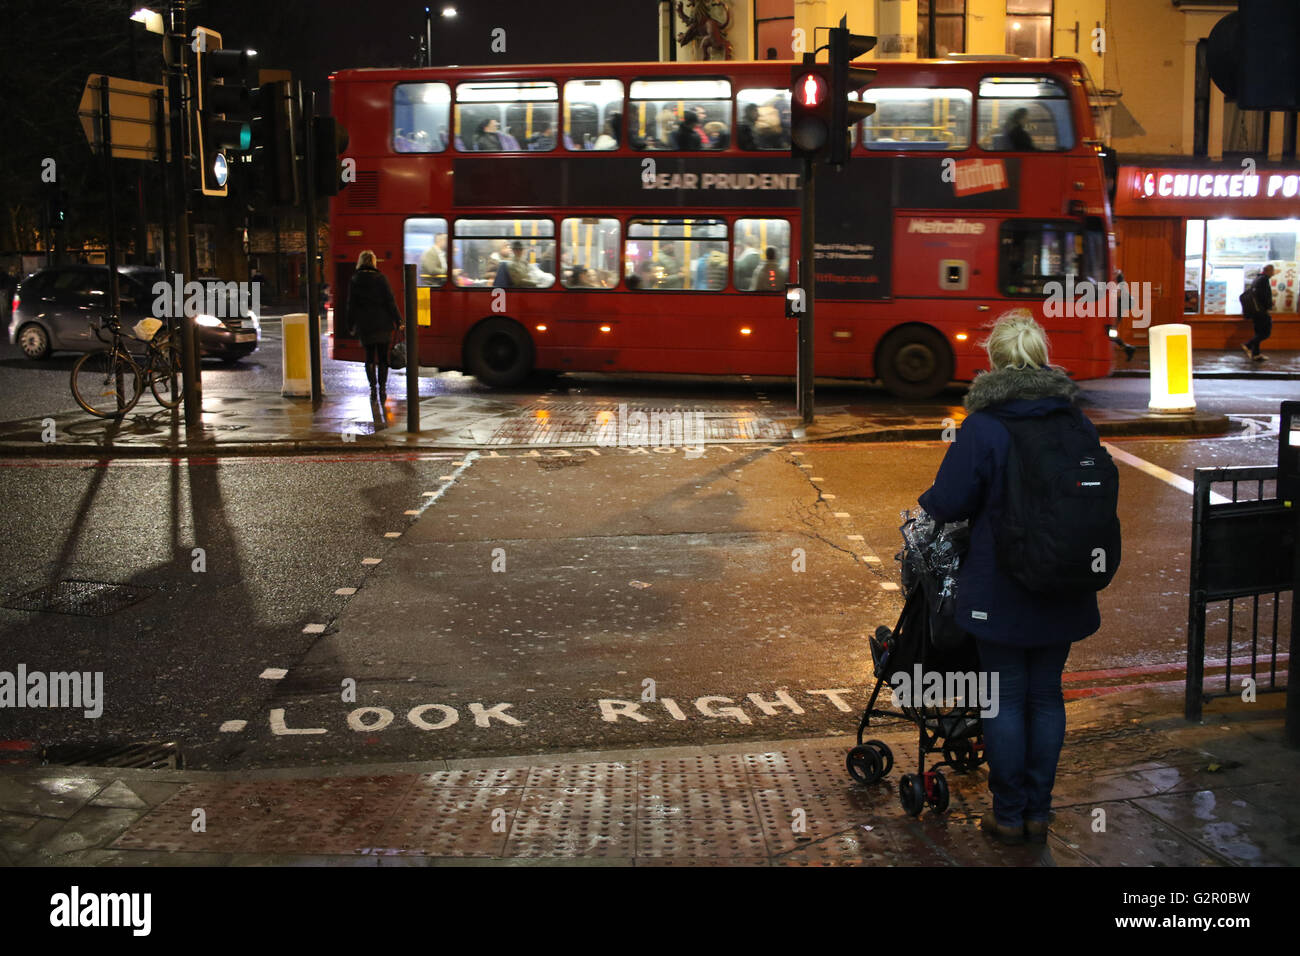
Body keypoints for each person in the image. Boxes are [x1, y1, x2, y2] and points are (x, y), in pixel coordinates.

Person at [917, 310, 1104, 847]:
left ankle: (1008, 813)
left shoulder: (985, 427)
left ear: (994, 362)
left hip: (1000, 591)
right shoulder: (1075, 421)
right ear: (1043, 359)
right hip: (1066, 583)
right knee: (1046, 696)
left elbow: (948, 502)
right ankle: (1037, 814)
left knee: (1004, 698)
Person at [346, 250, 402, 404]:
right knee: (383, 358)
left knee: (369, 358)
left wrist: (350, 325)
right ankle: (383, 388)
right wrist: (398, 320)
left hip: (365, 325)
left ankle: (373, 388)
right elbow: (390, 301)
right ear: (373, 262)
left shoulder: (355, 279)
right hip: (383, 324)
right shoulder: (381, 278)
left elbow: (351, 305)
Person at [1242, 263, 1275, 362]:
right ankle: (1248, 345)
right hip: (1260, 311)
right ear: (1268, 271)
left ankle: (1256, 354)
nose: (1273, 273)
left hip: (1255, 311)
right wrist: (1269, 306)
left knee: (1258, 332)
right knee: (1265, 332)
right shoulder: (1264, 280)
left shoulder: (1257, 279)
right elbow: (1264, 296)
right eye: (1272, 271)